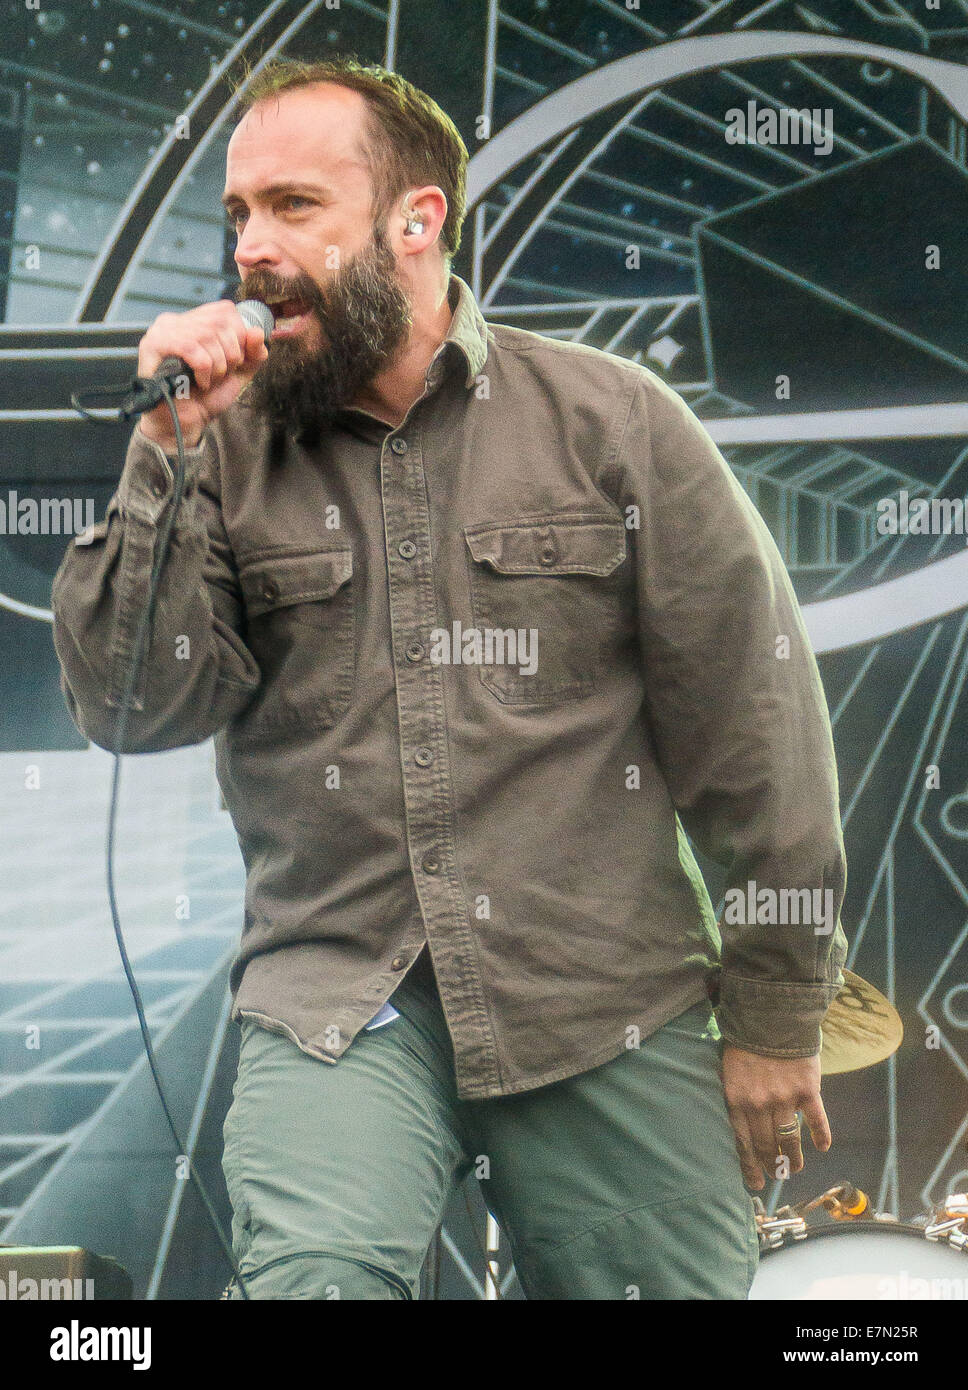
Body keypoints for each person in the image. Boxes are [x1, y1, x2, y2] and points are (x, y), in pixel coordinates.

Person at [51, 56, 848, 1300]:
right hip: (336, 996)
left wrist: (773, 1014)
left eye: (293, 207)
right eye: (237, 217)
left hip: (600, 992)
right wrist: (161, 451)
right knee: (315, 1283)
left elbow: (756, 730)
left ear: (416, 222)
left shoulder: (611, 421)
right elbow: (129, 703)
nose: (251, 250)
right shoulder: (219, 453)